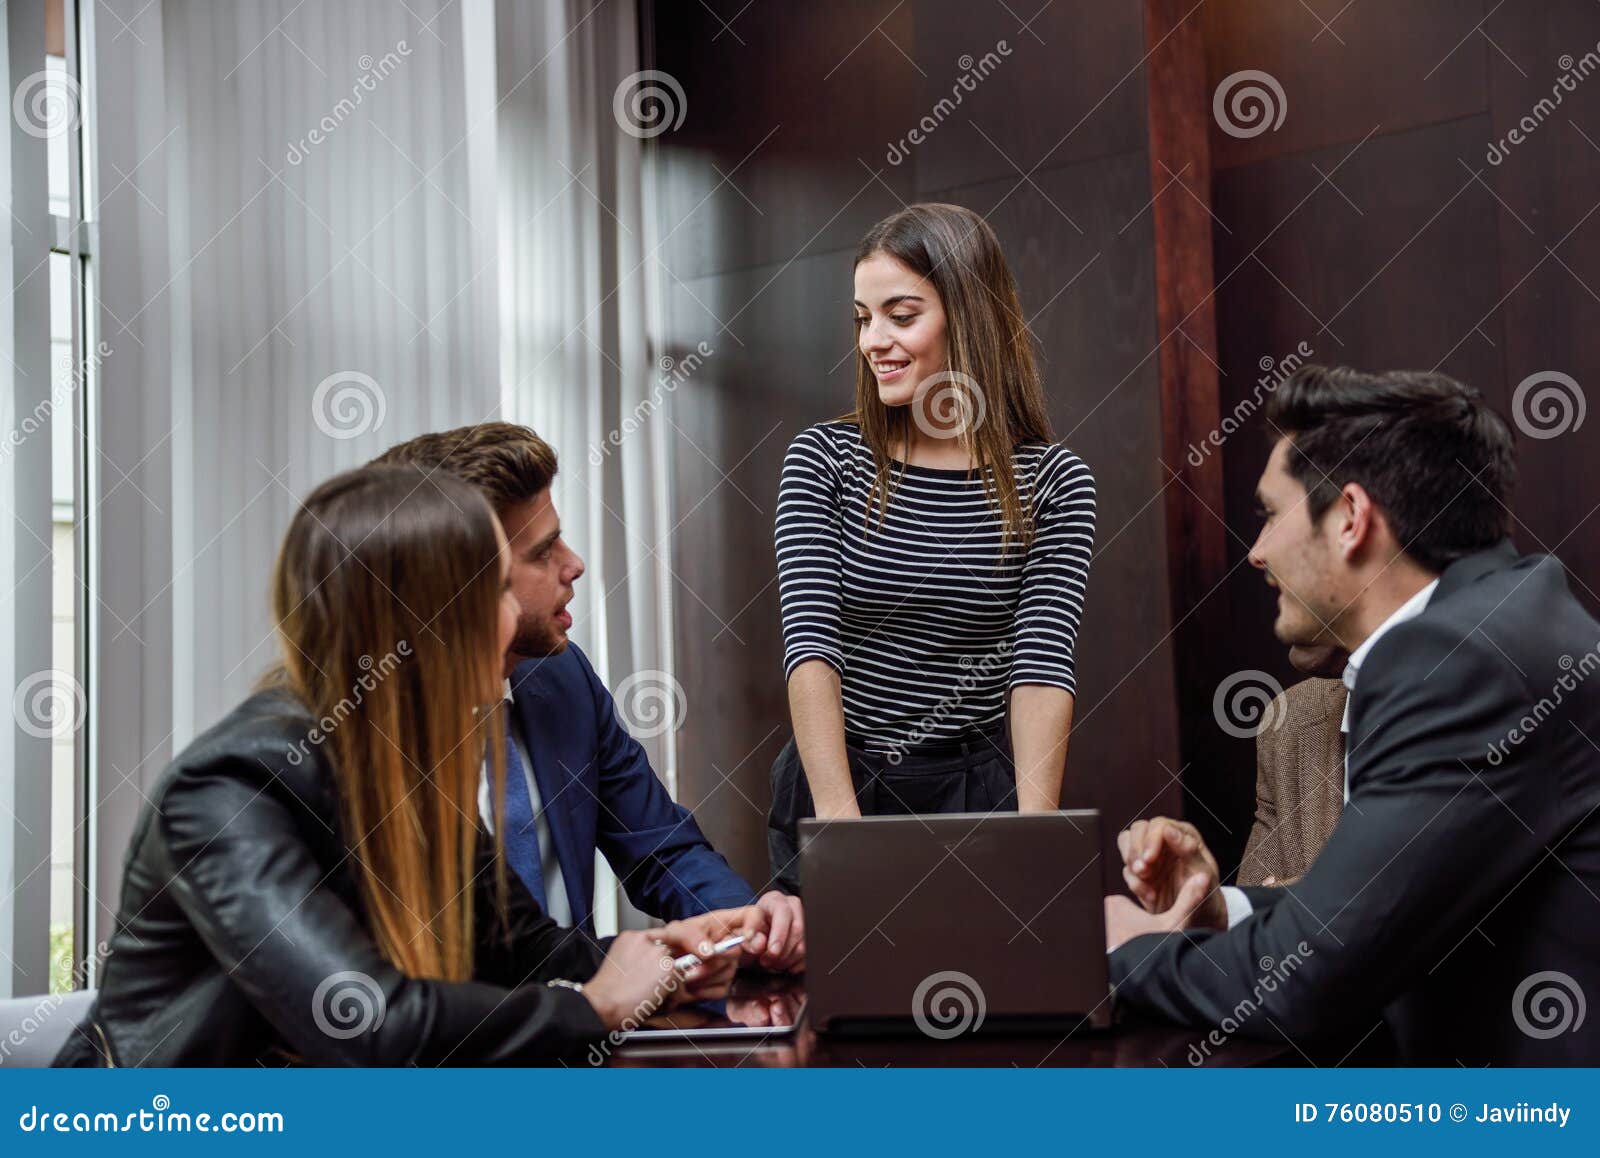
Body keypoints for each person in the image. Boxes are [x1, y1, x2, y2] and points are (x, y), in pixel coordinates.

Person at [56, 466, 761, 1066]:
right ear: (422, 624)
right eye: (497, 593)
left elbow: (527, 951)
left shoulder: (400, 763)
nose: (514, 621)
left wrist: (664, 956)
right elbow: (365, 1017)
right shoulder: (235, 787)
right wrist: (599, 1007)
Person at [1107, 365, 1600, 1065]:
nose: (1256, 551)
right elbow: (1376, 916)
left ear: (1349, 517)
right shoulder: (1502, 622)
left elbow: (1311, 979)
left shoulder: (1459, 660)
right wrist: (1223, 910)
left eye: (1270, 514)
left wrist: (1126, 953)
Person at [373, 426, 804, 971]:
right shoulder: (367, 733)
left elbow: (659, 851)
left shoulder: (562, 675)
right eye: (543, 551)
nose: (574, 564)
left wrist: (747, 924)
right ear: (465, 582)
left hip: (585, 1036)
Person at [769, 202, 1097, 893]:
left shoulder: (1054, 481)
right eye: (862, 318)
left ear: (968, 316)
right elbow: (810, 651)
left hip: (973, 791)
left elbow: (1041, 667)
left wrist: (1034, 836)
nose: (872, 341)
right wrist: (839, 825)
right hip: (840, 780)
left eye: (901, 314)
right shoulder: (824, 460)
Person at [1237, 643, 1347, 887]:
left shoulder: (1446, 712)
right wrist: (1210, 900)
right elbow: (1254, 910)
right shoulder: (1291, 716)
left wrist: (1309, 897)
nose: (1281, 602)